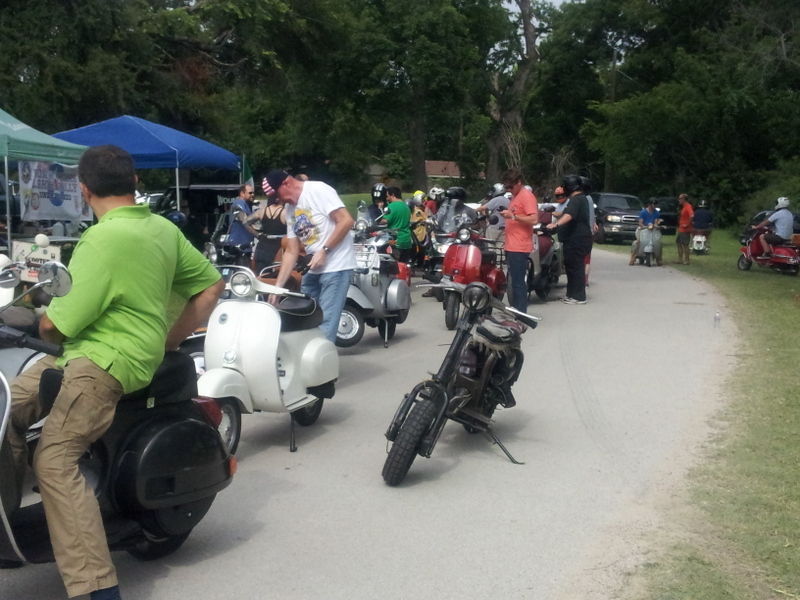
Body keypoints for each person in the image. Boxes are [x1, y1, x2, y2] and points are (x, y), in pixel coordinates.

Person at [2, 145, 224, 600]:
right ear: (134, 182)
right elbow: (211, 283)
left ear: (84, 190)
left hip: (103, 363)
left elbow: (56, 325)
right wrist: (170, 335)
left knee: (55, 459)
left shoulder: (101, 240)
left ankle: (96, 588)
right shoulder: (161, 228)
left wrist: (34, 318)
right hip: (87, 356)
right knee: (11, 408)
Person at [266, 169, 355, 343]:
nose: (279, 200)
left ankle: (321, 365)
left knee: (326, 321)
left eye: (278, 194)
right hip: (312, 270)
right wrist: (277, 288)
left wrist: (325, 250)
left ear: (286, 183)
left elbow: (346, 220)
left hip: (336, 266)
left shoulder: (318, 190)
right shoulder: (291, 209)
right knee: (304, 319)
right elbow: (291, 251)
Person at [547, 174, 592, 304]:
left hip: (577, 239)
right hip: (574, 239)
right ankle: (571, 294)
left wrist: (556, 224)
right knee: (571, 266)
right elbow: (566, 214)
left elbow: (569, 215)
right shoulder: (578, 199)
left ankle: (579, 296)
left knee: (576, 267)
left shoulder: (577, 199)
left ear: (570, 187)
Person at [499, 169, 538, 313]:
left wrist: (513, 217)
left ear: (519, 183)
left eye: (511, 186)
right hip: (511, 245)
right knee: (514, 280)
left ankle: (521, 313)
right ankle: (516, 309)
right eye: (506, 187)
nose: (509, 190)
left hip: (519, 246)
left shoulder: (526, 196)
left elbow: (534, 219)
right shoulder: (515, 197)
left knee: (518, 282)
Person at [246, 185, 286, 274]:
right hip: (277, 249)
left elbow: (245, 222)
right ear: (280, 199)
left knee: (260, 276)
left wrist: (256, 234)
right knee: (274, 279)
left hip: (262, 247)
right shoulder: (285, 213)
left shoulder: (262, 211)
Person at [380, 187, 413, 262]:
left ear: (393, 195)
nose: (386, 198)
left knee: (394, 267)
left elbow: (384, 221)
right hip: (407, 240)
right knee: (403, 265)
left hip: (395, 241)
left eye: (387, 196)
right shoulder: (406, 207)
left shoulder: (391, 206)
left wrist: (377, 220)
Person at [629, 198, 663, 266]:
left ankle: (658, 258)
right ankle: (633, 257)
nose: (655, 206)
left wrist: (656, 226)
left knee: (659, 243)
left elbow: (656, 222)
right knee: (637, 242)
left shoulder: (656, 213)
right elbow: (640, 223)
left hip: (652, 230)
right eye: (653, 204)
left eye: (655, 204)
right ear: (650, 204)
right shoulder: (643, 212)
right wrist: (645, 226)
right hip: (643, 229)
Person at [676, 193, 694, 265]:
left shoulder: (688, 206)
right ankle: (680, 259)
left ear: (684, 199)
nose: (679, 200)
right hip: (681, 229)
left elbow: (692, 215)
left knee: (685, 244)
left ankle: (687, 260)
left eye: (680, 198)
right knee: (678, 243)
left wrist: (687, 224)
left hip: (685, 229)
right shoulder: (683, 207)